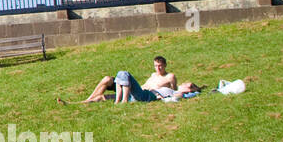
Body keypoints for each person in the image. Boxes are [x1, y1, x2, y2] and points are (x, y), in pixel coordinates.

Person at [63, 55, 198, 104]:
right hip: (138, 91)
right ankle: (81, 102)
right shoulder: (152, 75)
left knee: (124, 74)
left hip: (144, 94)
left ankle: (121, 101)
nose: (158, 68)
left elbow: (174, 90)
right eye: (156, 66)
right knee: (106, 81)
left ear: (165, 65)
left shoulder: (170, 76)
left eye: (160, 66)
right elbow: (145, 85)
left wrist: (166, 95)